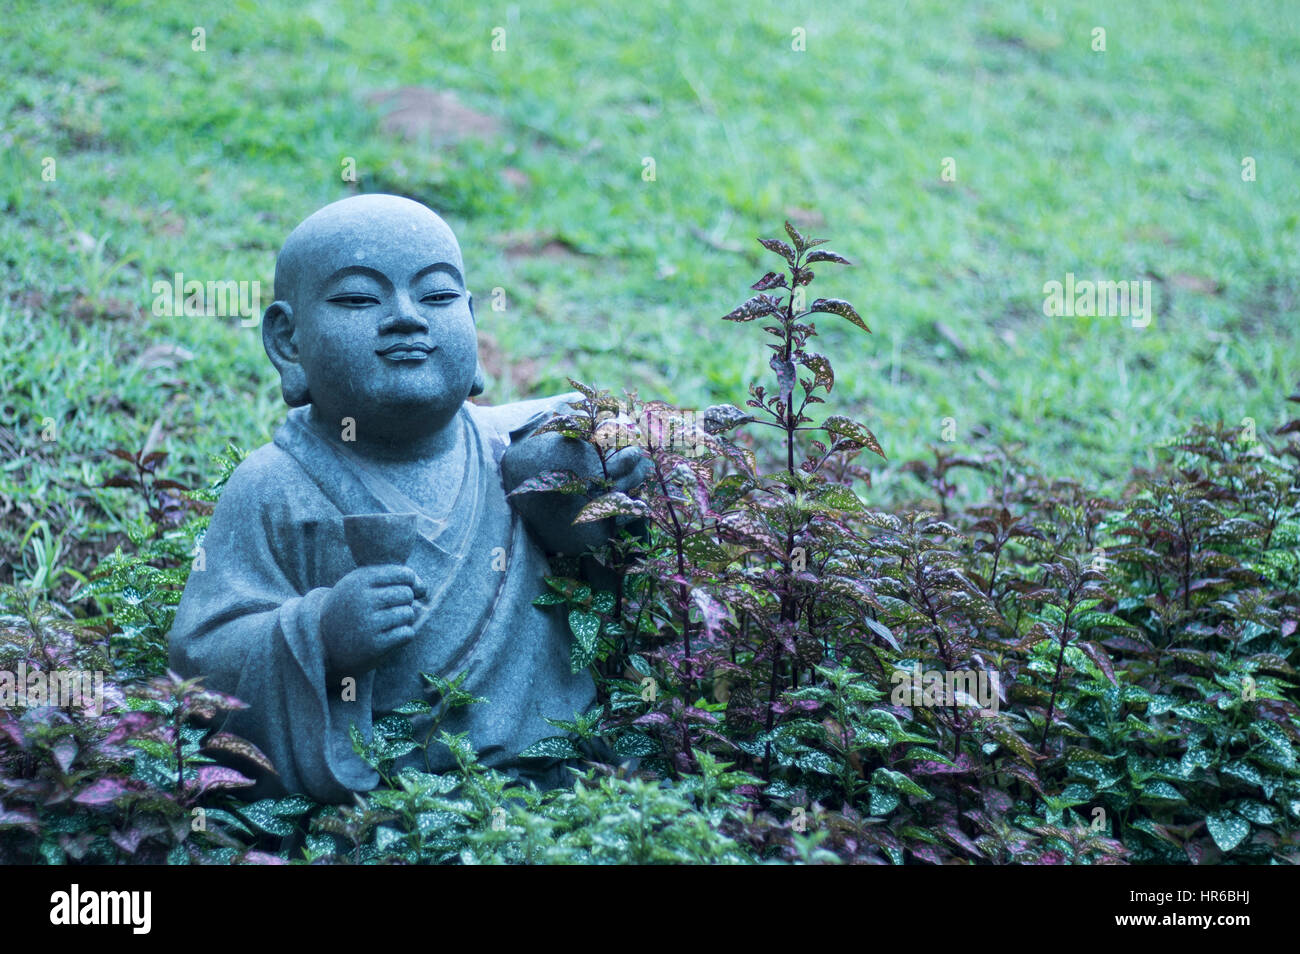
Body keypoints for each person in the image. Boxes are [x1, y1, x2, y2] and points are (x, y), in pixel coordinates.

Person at [169, 194, 645, 801]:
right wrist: (320, 633)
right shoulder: (273, 486)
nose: (405, 318)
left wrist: (608, 482)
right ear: (288, 342)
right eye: (358, 299)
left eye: (438, 295)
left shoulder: (517, 450)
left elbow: (647, 457)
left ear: (472, 317)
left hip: (561, 792)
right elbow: (198, 661)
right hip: (389, 813)